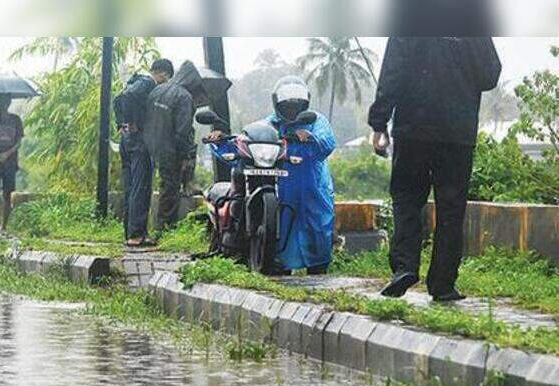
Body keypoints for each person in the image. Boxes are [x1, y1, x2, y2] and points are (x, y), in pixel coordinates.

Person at [368, 37, 501, 301]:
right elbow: (490, 75)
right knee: (451, 208)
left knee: (407, 199)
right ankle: (443, 285)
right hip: (457, 134)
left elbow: (393, 71)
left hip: (413, 129)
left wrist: (379, 123)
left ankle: (405, 268)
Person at [209, 76, 337, 274]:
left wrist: (309, 137)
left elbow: (327, 143)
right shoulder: (268, 125)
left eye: (297, 106)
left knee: (318, 231)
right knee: (279, 226)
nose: (292, 111)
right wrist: (220, 142)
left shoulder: (316, 121)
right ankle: (270, 261)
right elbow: (245, 144)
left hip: (313, 187)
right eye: (287, 106)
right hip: (281, 186)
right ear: (277, 103)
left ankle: (319, 271)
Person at [143, 60, 211, 234]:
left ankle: (156, 225)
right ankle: (165, 227)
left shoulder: (157, 90)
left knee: (162, 182)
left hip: (152, 143)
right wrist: (183, 154)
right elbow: (182, 130)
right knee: (170, 186)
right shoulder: (184, 97)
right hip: (170, 148)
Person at [114, 58, 173, 247]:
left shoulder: (136, 81)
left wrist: (120, 123)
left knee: (132, 187)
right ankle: (137, 235)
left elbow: (118, 99)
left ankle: (132, 232)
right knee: (141, 186)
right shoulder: (148, 82)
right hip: (138, 140)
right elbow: (127, 97)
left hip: (127, 140)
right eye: (166, 80)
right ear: (163, 74)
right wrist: (133, 123)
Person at [0, 95, 24, 233]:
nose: (3, 104)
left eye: (6, 101)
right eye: (1, 101)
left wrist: (7, 154)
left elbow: (19, 142)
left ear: (9, 102)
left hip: (10, 162)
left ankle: (4, 227)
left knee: (7, 194)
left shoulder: (15, 120)